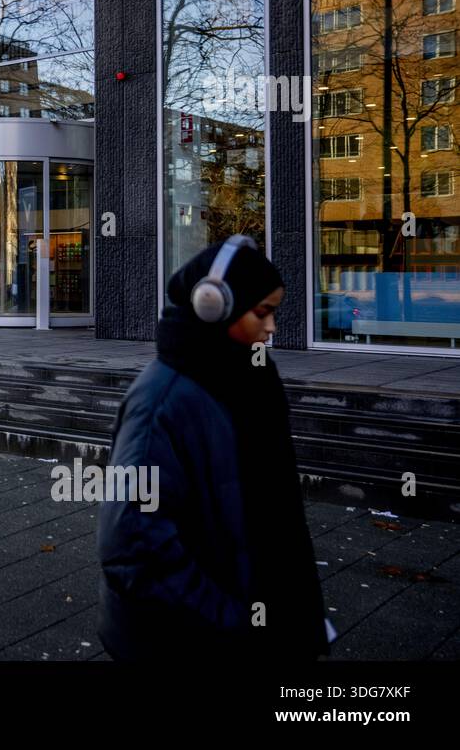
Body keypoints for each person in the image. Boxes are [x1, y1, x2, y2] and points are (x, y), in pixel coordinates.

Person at [97, 235, 329, 661]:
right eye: (262, 313)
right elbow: (131, 545)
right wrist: (231, 624)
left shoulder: (250, 378)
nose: (271, 327)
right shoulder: (160, 405)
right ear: (211, 304)